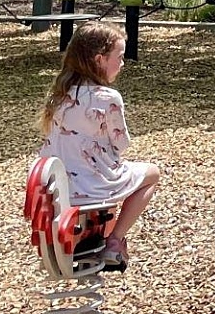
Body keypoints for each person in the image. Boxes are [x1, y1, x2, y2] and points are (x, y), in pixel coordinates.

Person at [40, 22, 161, 271]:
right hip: (92, 186)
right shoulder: (107, 98)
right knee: (152, 174)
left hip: (55, 187)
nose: (123, 63)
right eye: (119, 57)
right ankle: (115, 241)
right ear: (99, 60)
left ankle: (98, 238)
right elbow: (121, 144)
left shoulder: (59, 94)